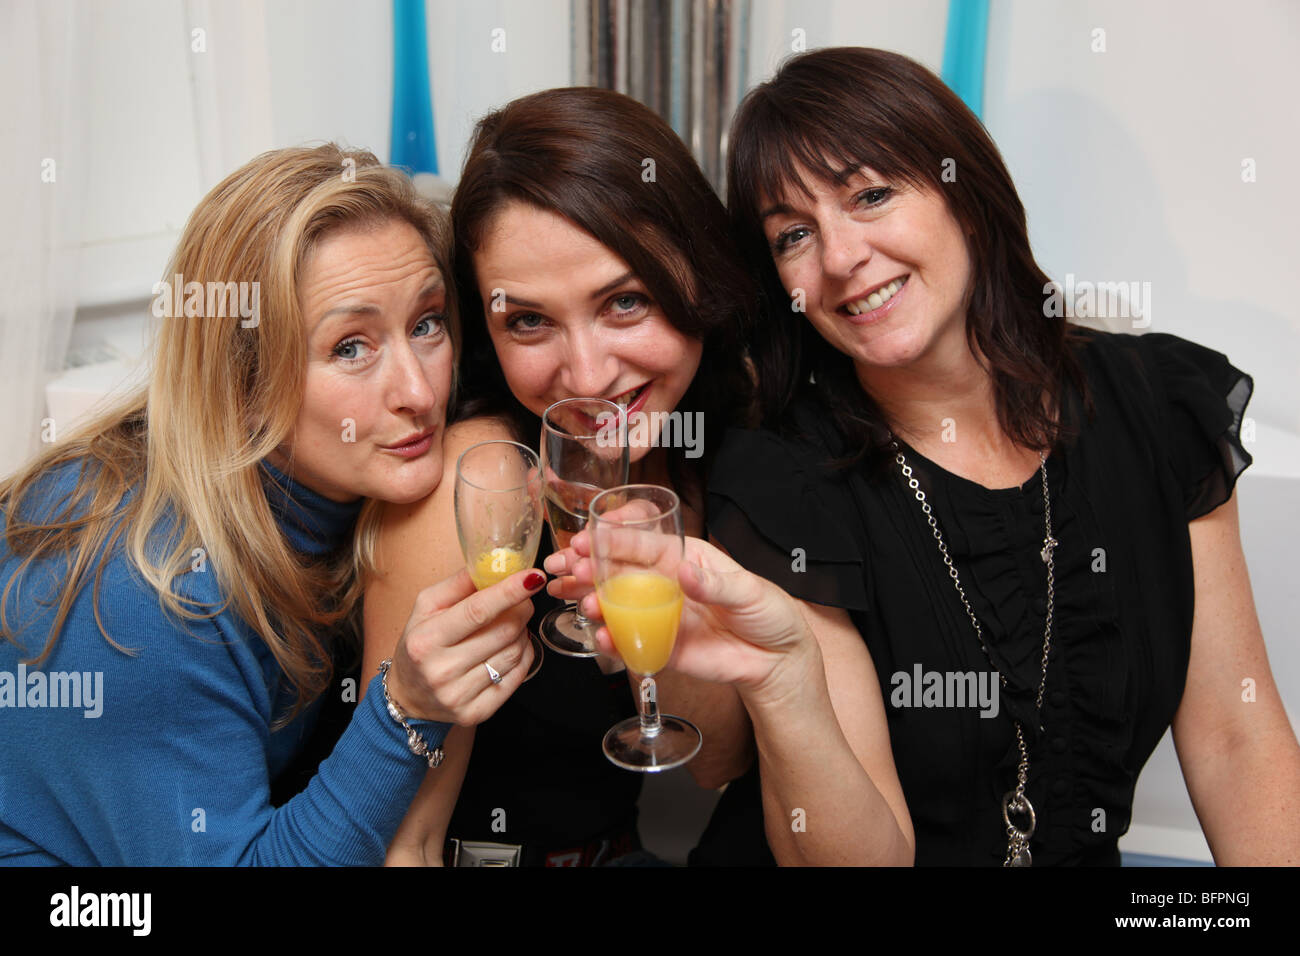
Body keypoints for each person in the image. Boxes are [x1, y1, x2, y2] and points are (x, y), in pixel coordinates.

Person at [677, 46, 1300, 865]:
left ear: (963, 193)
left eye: (871, 194)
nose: (839, 258)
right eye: (794, 235)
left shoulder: (1160, 405)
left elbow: (1236, 739)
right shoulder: (783, 476)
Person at [0, 144, 542, 865]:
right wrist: (404, 708)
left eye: (426, 323)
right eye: (351, 348)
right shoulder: (149, 591)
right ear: (244, 387)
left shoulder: (325, 482)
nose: (417, 391)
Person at [363, 87, 763, 866]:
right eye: (529, 321)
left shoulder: (711, 445)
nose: (585, 375)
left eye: (625, 301)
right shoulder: (478, 486)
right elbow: (401, 843)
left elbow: (715, 762)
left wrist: (654, 619)